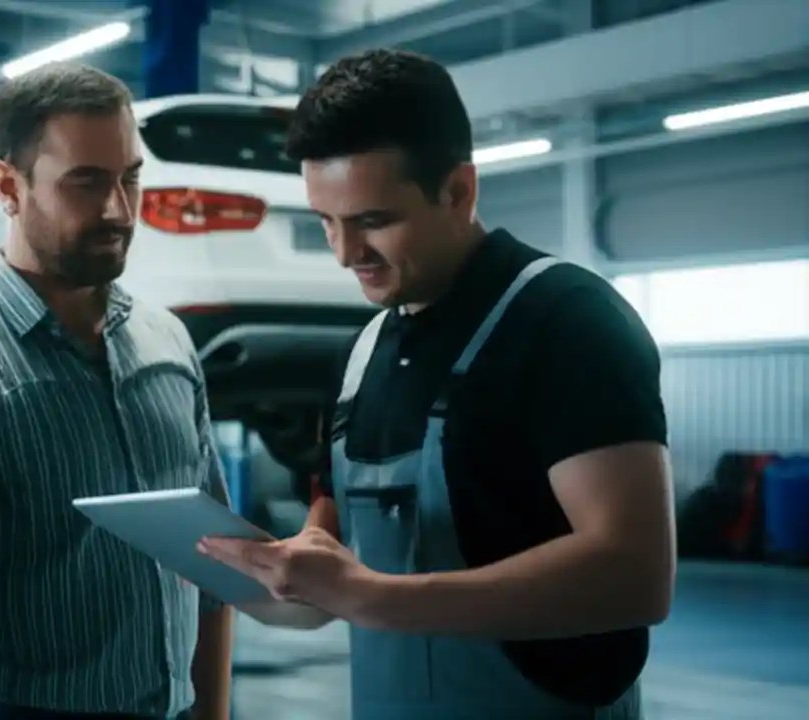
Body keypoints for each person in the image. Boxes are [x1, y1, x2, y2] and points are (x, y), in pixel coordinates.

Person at [198, 48, 676, 720]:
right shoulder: (360, 357)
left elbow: (636, 576)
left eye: (373, 221)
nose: (345, 254)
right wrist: (249, 571)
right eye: (327, 222)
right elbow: (323, 580)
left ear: (459, 191)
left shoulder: (567, 322)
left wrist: (373, 598)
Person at [0, 62, 233, 720]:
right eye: (85, 183)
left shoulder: (168, 342)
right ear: (8, 186)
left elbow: (214, 564)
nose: (118, 210)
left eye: (130, 178)